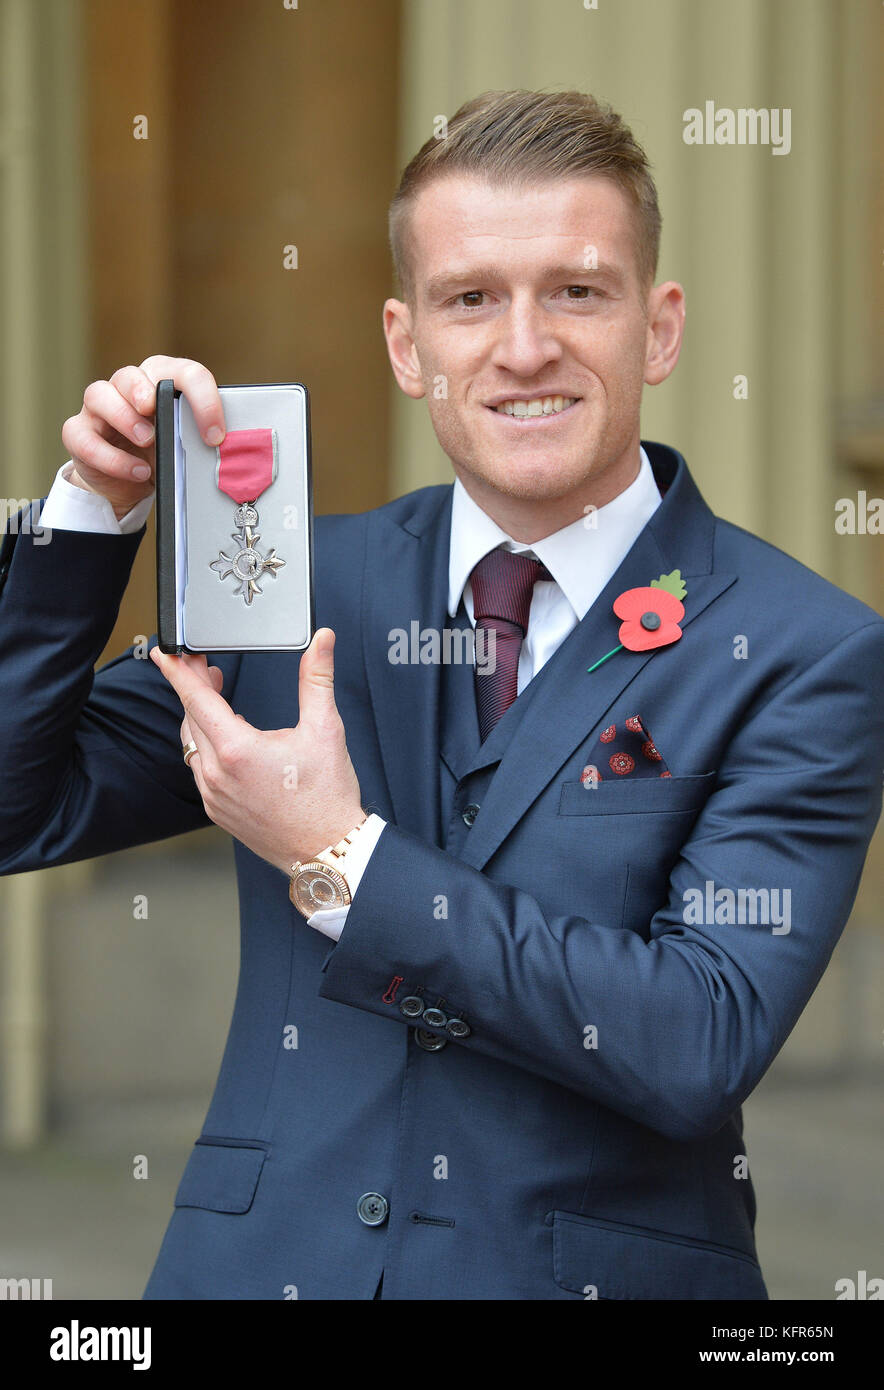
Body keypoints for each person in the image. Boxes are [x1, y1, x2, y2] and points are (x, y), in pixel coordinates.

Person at [1, 89, 882, 1301]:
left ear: (659, 328)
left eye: (577, 291)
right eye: (470, 298)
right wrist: (93, 517)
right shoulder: (294, 584)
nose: (523, 347)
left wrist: (339, 857)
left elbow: (697, 1037)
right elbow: (19, 805)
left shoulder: (801, 649)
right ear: (406, 344)